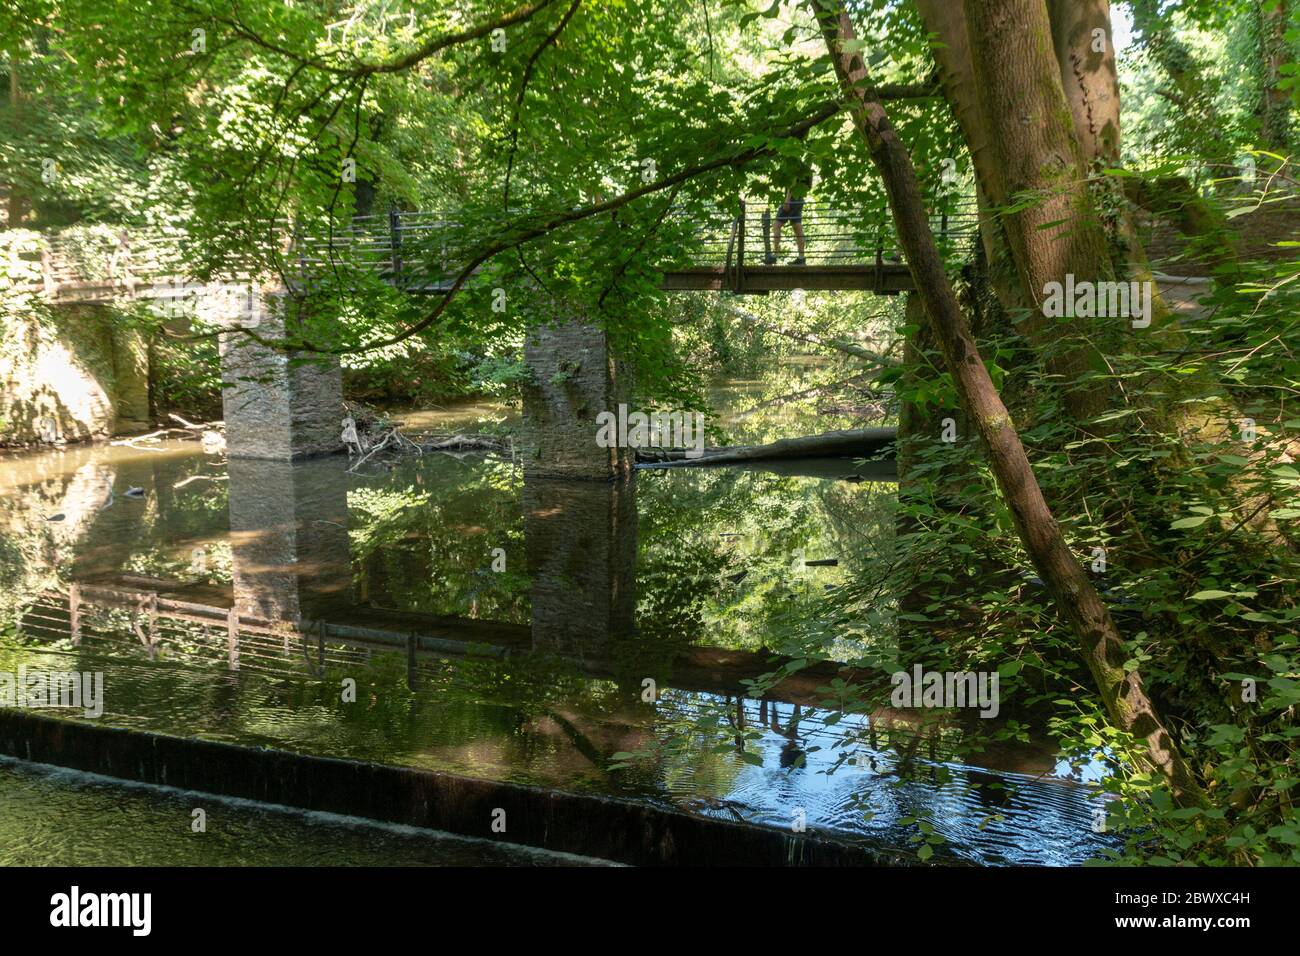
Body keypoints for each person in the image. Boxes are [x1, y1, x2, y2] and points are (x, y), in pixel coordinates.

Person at [768, 155, 813, 266]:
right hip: (799, 199)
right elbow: (809, 187)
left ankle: (775, 255)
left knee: (776, 225)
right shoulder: (806, 169)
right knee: (798, 228)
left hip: (791, 200)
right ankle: (801, 258)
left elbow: (791, 185)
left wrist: (787, 200)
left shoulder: (794, 167)